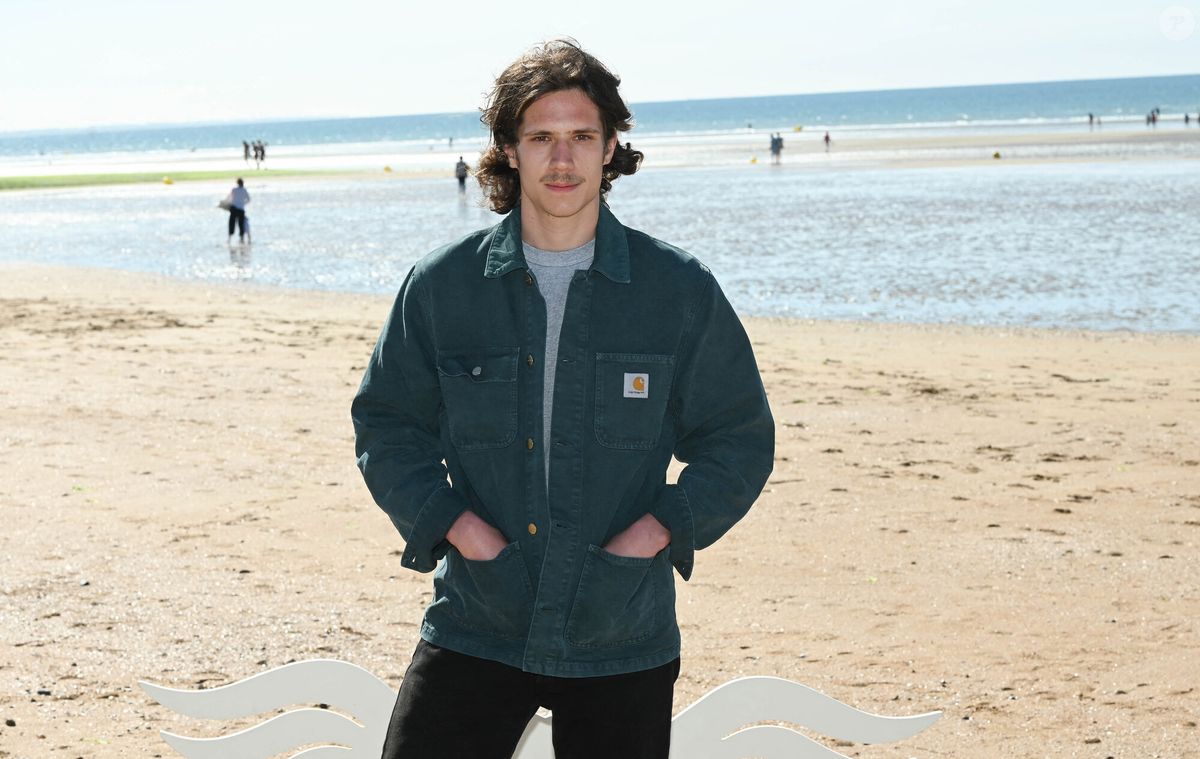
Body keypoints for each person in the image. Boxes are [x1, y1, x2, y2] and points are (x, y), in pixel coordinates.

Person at [351, 39, 774, 759]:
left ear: (611, 148)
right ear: (509, 151)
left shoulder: (677, 290)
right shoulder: (442, 287)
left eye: (581, 136)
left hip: (621, 629)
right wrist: (458, 526)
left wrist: (658, 530)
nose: (562, 159)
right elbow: (387, 425)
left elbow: (739, 437)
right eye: (541, 137)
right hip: (479, 615)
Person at [226, 178, 250, 244]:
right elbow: (248, 199)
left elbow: (229, 198)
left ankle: (229, 238)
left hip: (234, 209)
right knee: (241, 224)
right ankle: (241, 238)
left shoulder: (234, 190)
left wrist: (228, 204)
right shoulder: (244, 190)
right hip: (241, 209)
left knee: (232, 223)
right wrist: (243, 204)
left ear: (237, 183)